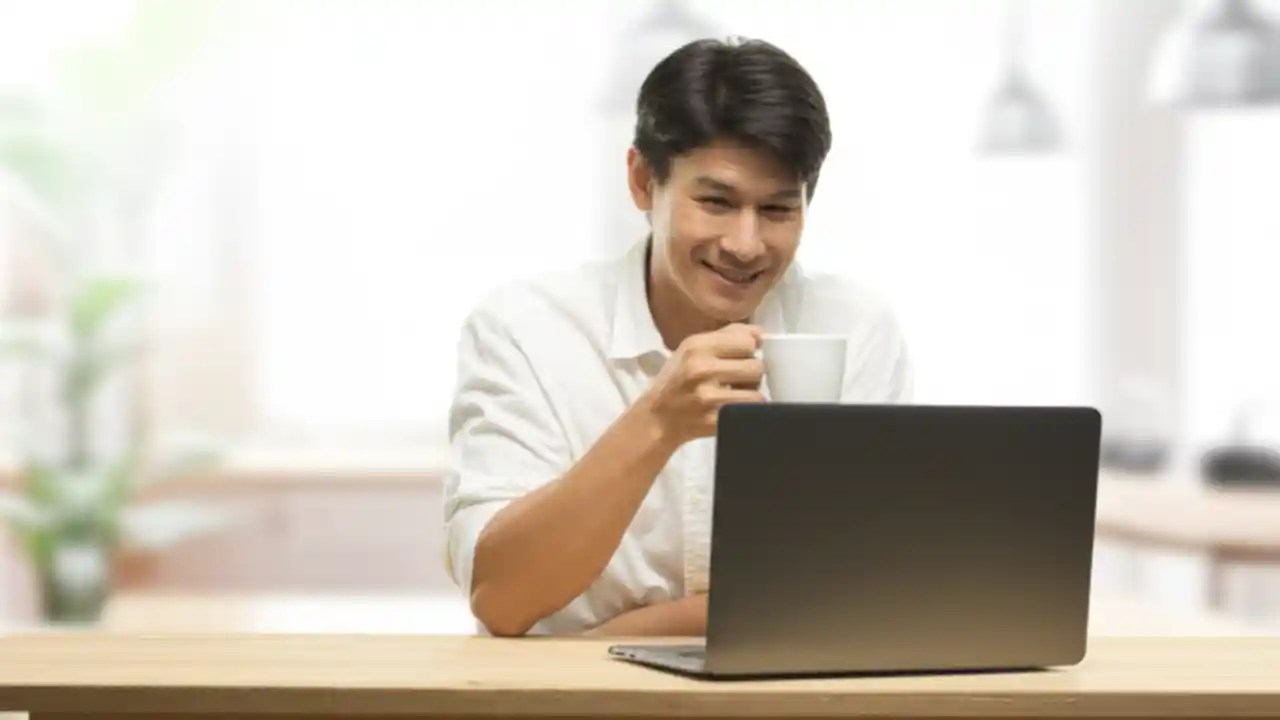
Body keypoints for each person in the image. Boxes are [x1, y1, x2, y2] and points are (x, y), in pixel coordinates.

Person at [443, 37, 912, 637]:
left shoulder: (854, 328)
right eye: (716, 202)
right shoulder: (526, 331)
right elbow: (503, 598)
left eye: (776, 211)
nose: (745, 244)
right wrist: (659, 420)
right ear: (643, 182)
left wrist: (619, 635)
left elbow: (857, 591)